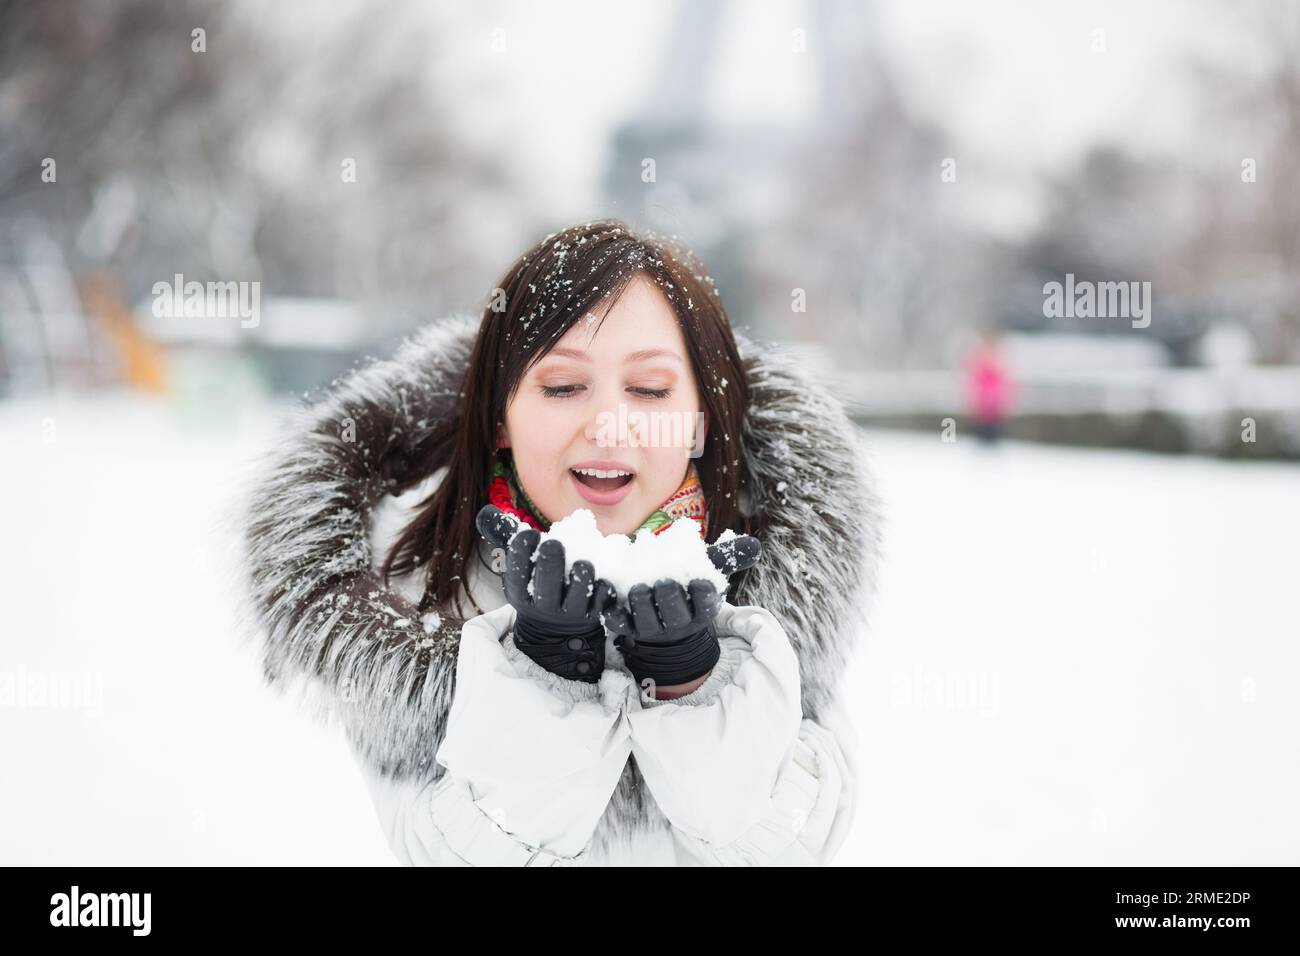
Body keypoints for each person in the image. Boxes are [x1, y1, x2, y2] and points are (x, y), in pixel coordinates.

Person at [238, 220, 881, 865]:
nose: (607, 426)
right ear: (499, 419)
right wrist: (541, 676)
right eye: (564, 387)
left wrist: (695, 682)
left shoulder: (774, 581)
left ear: (699, 424)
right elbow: (435, 850)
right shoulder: (412, 602)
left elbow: (794, 839)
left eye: (650, 390)